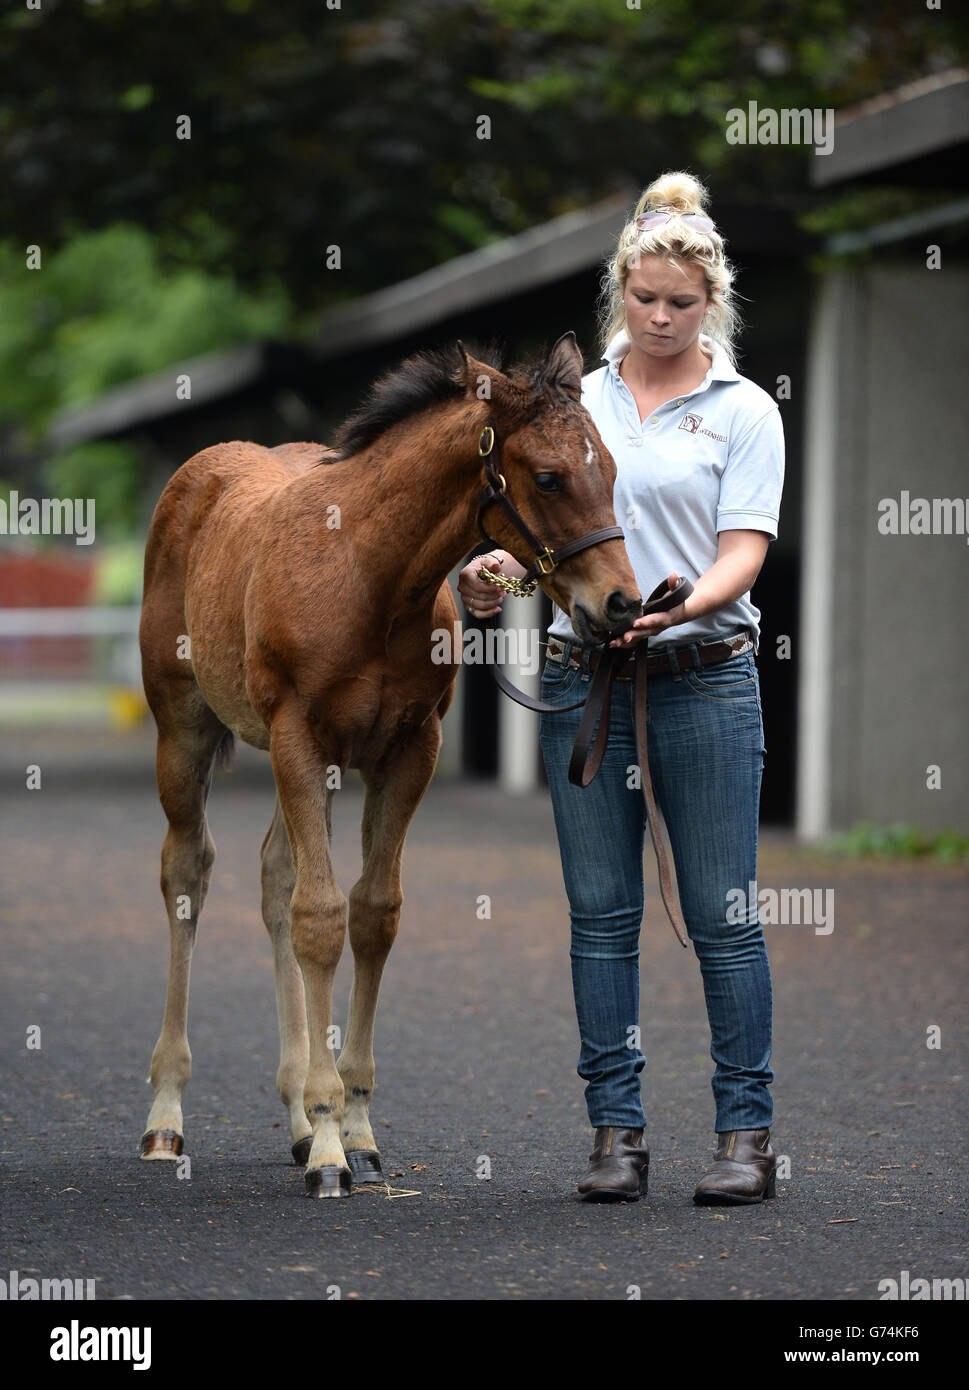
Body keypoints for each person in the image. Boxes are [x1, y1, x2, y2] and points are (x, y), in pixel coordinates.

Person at [457, 171, 785, 1205]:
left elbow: (743, 553)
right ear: (620, 293)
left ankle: (745, 1134)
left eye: (681, 303)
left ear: (711, 304)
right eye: (643, 298)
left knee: (724, 914)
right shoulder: (580, 402)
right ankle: (617, 1134)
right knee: (600, 916)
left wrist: (682, 605)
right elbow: (548, 533)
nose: (659, 317)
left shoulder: (743, 411)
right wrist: (491, 573)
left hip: (706, 678)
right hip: (585, 675)